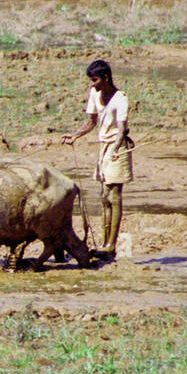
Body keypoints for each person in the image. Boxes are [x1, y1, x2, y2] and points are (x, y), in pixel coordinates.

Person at [62, 59, 132, 260]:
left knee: (114, 195)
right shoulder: (94, 94)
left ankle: (111, 245)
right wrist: (75, 135)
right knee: (103, 196)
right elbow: (92, 121)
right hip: (104, 147)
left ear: (106, 78)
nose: (91, 84)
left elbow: (122, 130)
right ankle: (104, 243)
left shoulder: (120, 99)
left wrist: (115, 150)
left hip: (117, 147)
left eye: (94, 80)